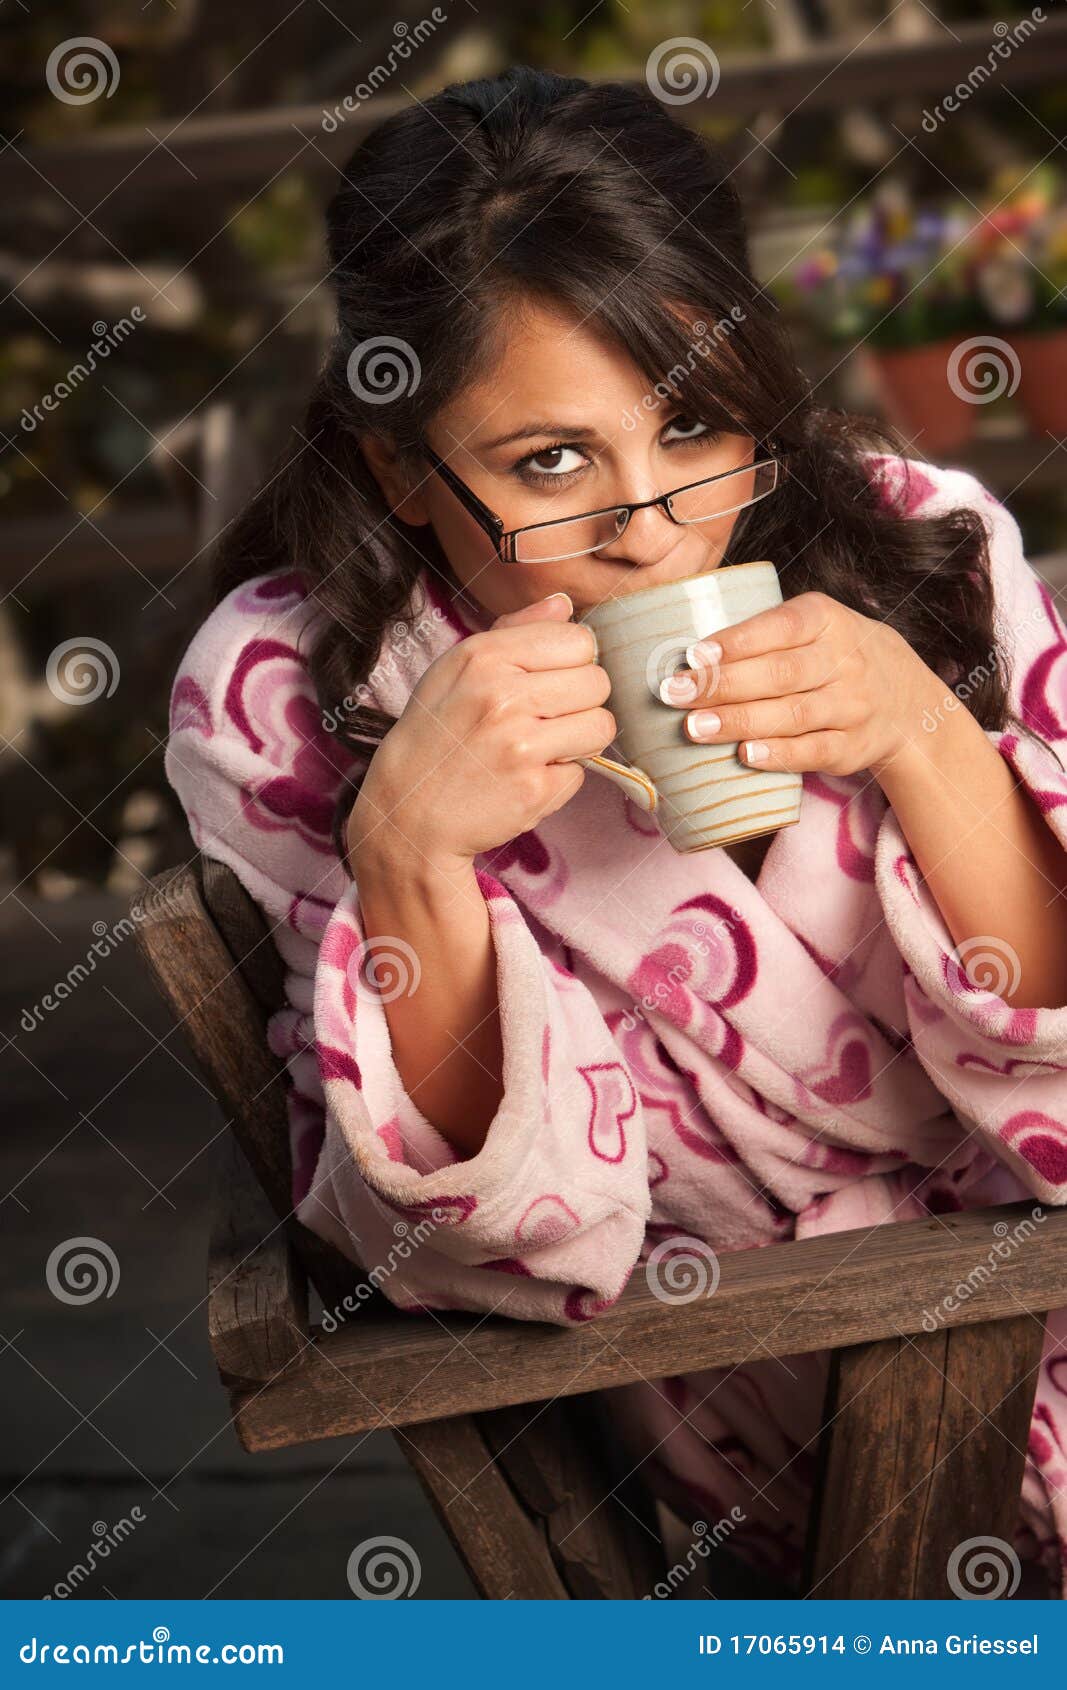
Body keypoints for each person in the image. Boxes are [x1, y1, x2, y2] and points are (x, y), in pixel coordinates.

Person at [164, 65, 1067, 1595]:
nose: (654, 528)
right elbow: (458, 1256)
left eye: (699, 423)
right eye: (551, 463)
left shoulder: (919, 537)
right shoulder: (284, 695)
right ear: (401, 464)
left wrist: (924, 733)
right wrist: (411, 861)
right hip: (801, 1445)